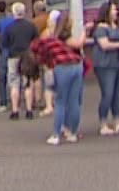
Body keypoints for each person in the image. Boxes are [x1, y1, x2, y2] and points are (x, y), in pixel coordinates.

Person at [33, 14, 86, 145]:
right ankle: (72, 133)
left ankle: (56, 135)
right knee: (74, 101)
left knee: (60, 101)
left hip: (62, 68)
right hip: (77, 66)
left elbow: (39, 54)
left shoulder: (46, 41)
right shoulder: (64, 39)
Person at [90, 2, 119, 136]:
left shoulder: (117, 27)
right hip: (104, 64)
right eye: (113, 10)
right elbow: (105, 45)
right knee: (108, 93)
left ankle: (117, 121)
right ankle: (103, 123)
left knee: (118, 94)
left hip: (118, 63)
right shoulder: (101, 28)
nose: (116, 12)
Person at [2, 2, 38, 121]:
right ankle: (29, 110)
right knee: (27, 83)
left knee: (14, 84)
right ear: (24, 12)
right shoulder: (31, 26)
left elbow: (4, 44)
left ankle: (15, 111)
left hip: (13, 57)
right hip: (27, 57)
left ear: (13, 13)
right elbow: (36, 41)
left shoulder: (9, 28)